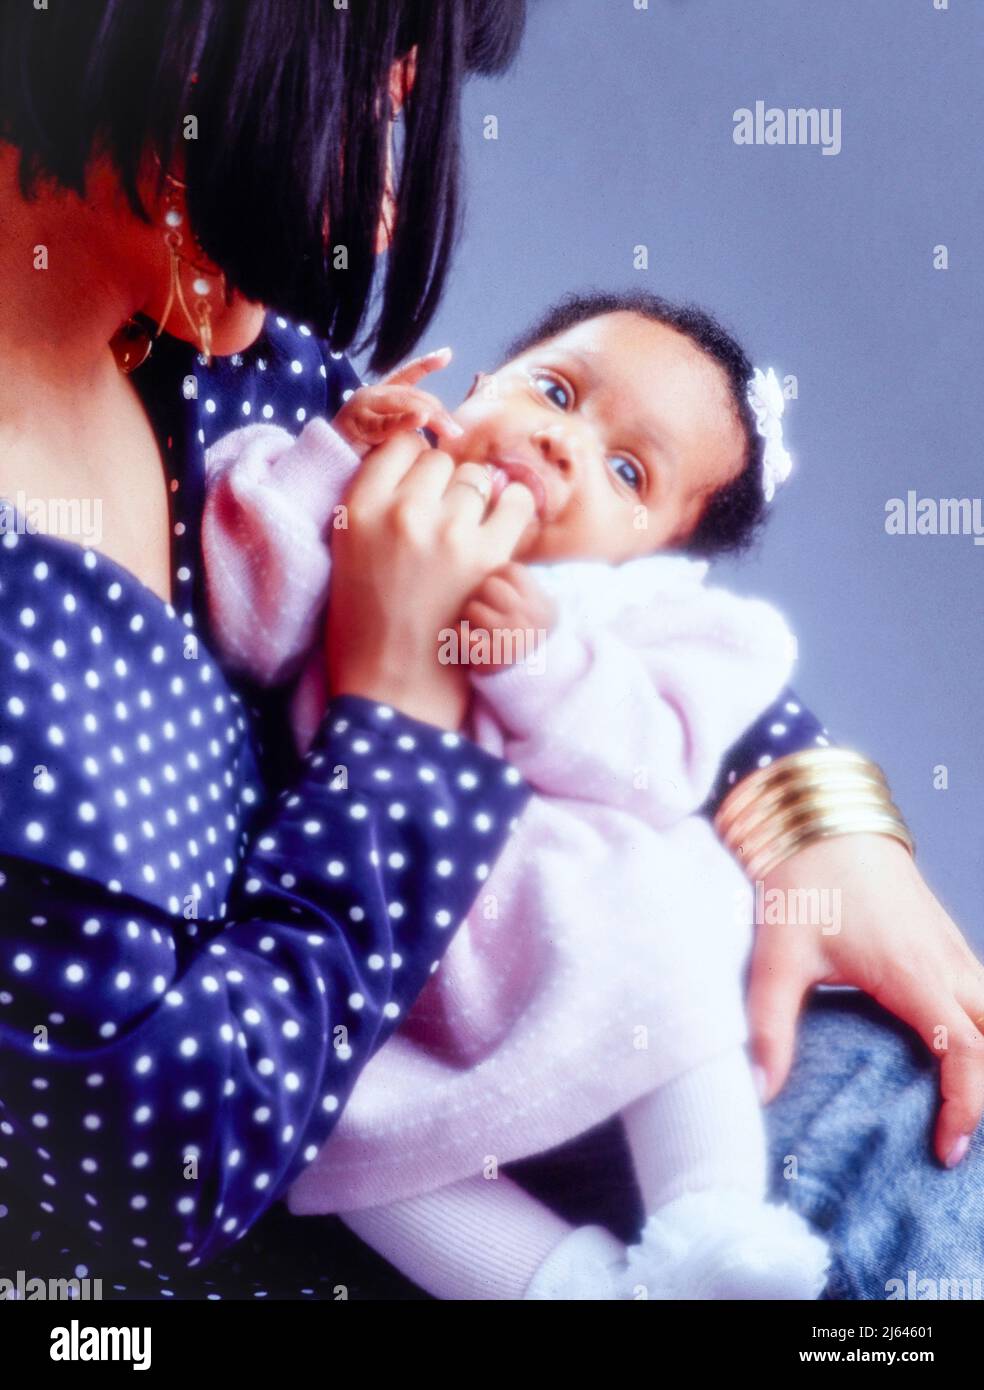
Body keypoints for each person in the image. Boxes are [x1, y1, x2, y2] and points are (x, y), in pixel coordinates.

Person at [0, 1, 981, 1302]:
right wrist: (397, 697)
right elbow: (154, 1169)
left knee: (910, 1121)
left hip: (592, 1053)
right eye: (376, 105)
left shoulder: (209, 357)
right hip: (349, 1207)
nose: (389, 207)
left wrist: (822, 816)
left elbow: (604, 613)